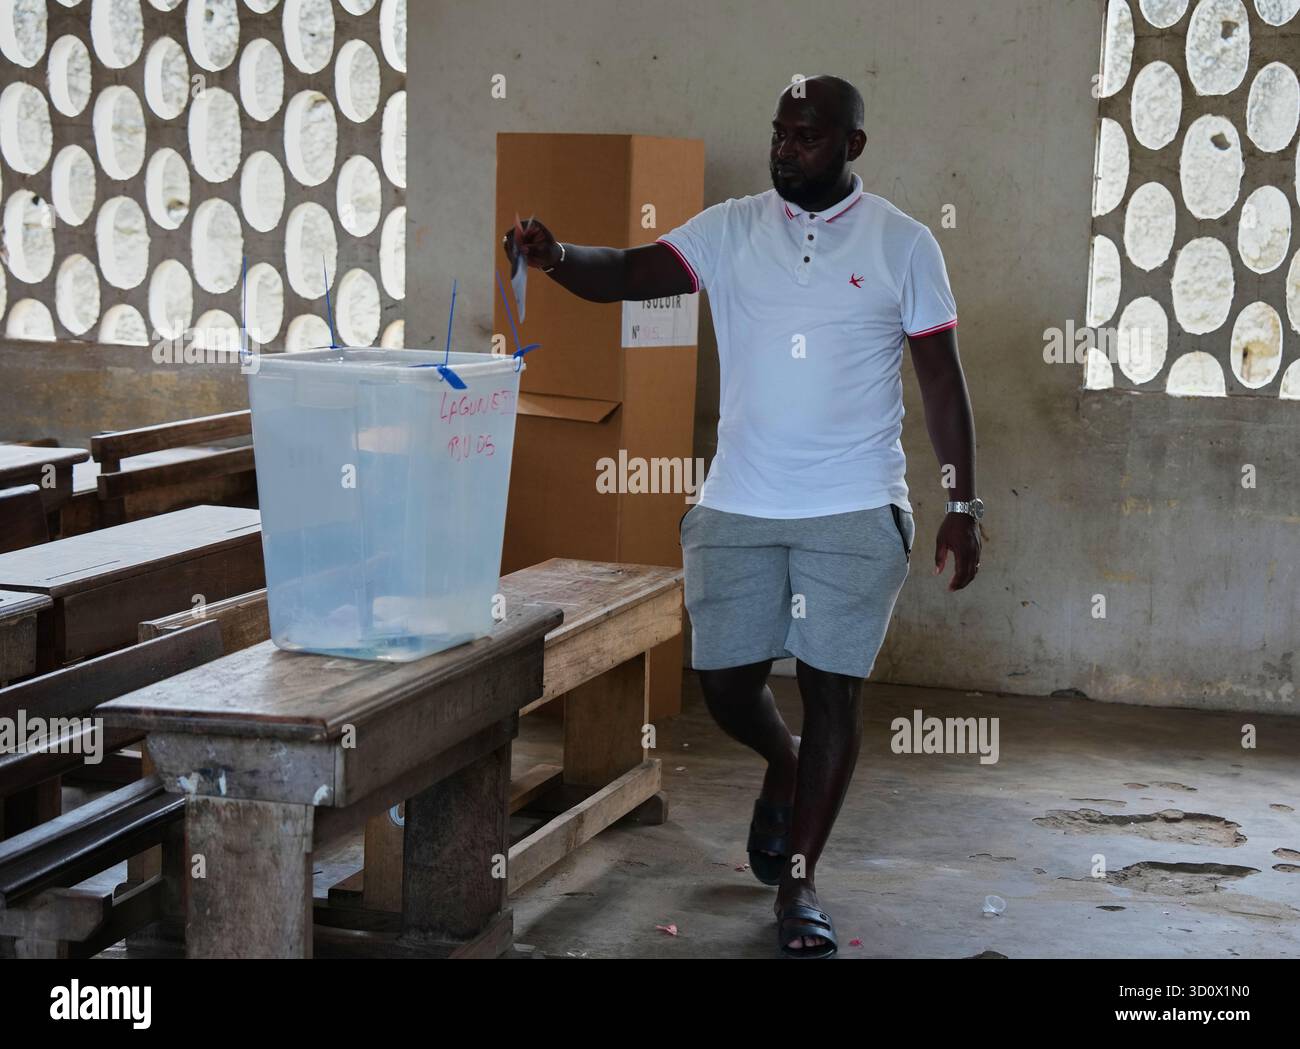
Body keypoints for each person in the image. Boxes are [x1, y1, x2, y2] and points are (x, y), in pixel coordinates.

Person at [502, 74, 981, 958]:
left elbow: (942, 380)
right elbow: (632, 274)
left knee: (833, 686)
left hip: (853, 501)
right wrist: (559, 255)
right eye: (778, 134)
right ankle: (785, 761)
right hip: (741, 499)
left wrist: (961, 501)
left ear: (852, 147)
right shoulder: (731, 228)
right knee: (724, 680)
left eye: (805, 138)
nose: (785, 150)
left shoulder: (903, 245)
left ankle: (799, 884)